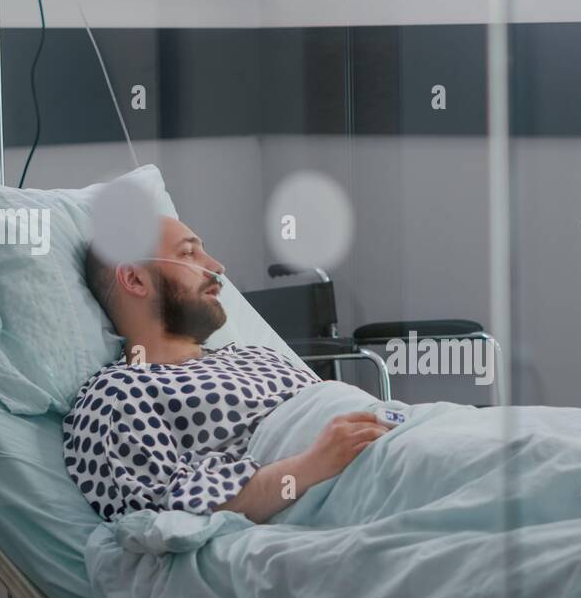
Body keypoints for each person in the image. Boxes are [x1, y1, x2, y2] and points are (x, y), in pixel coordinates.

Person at [63, 215, 391, 523]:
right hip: (358, 482)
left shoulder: (256, 355)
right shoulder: (119, 392)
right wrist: (309, 467)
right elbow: (159, 517)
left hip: (392, 435)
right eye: (189, 253)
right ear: (135, 278)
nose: (217, 267)